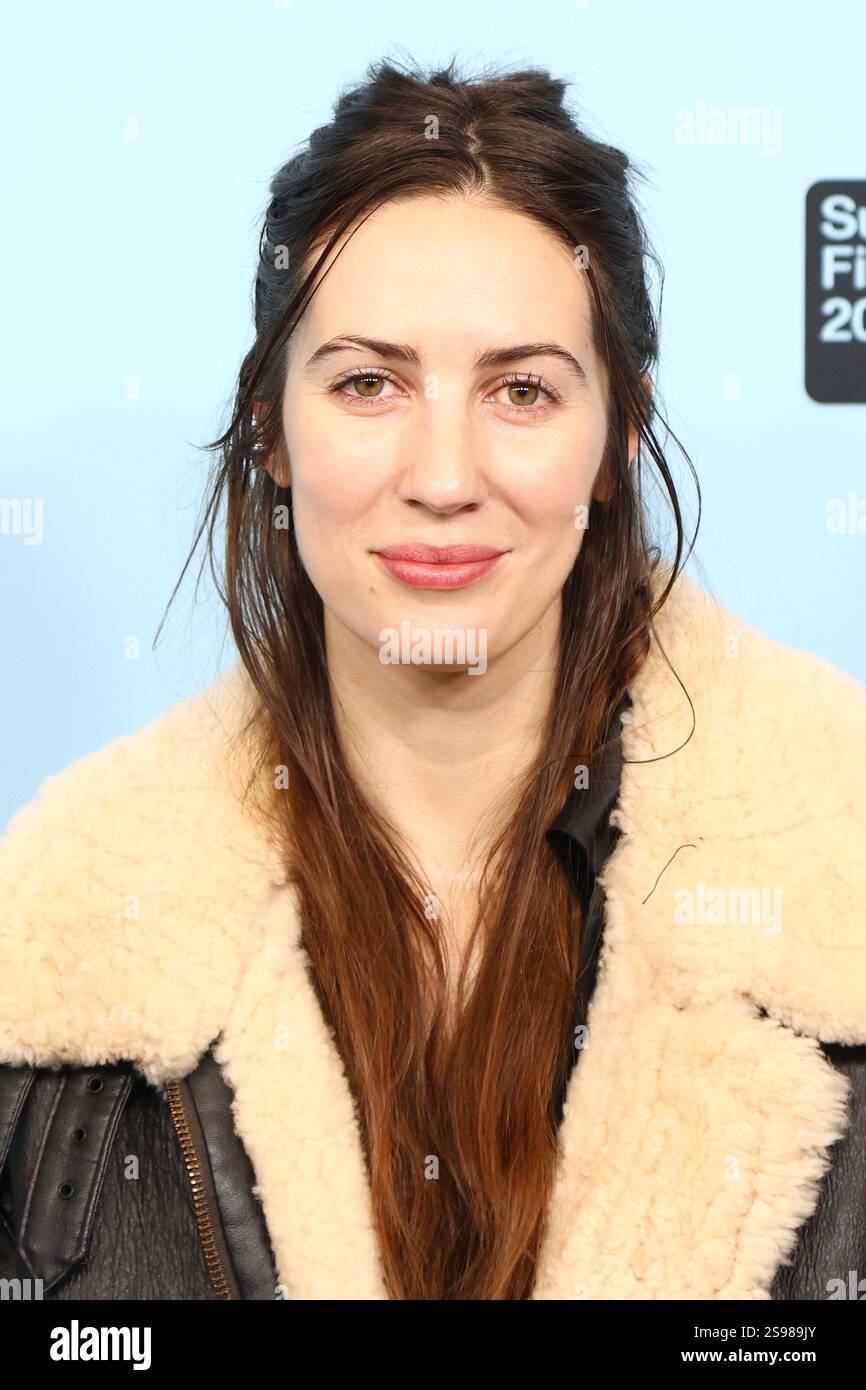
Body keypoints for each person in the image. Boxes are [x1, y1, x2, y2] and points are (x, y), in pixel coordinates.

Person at [1, 57, 865, 1303]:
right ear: (271, 432)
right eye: (367, 383)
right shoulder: (58, 953)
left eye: (521, 390)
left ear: (617, 437)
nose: (444, 473)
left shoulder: (839, 883)